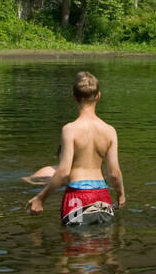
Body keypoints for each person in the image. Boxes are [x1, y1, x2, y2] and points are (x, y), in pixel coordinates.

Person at [27, 72, 124, 225]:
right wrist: (121, 194)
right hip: (102, 195)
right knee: (104, 244)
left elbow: (64, 172)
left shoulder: (70, 130)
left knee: (73, 244)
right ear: (98, 96)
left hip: (76, 196)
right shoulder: (110, 130)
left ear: (74, 97)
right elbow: (114, 173)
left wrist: (41, 198)